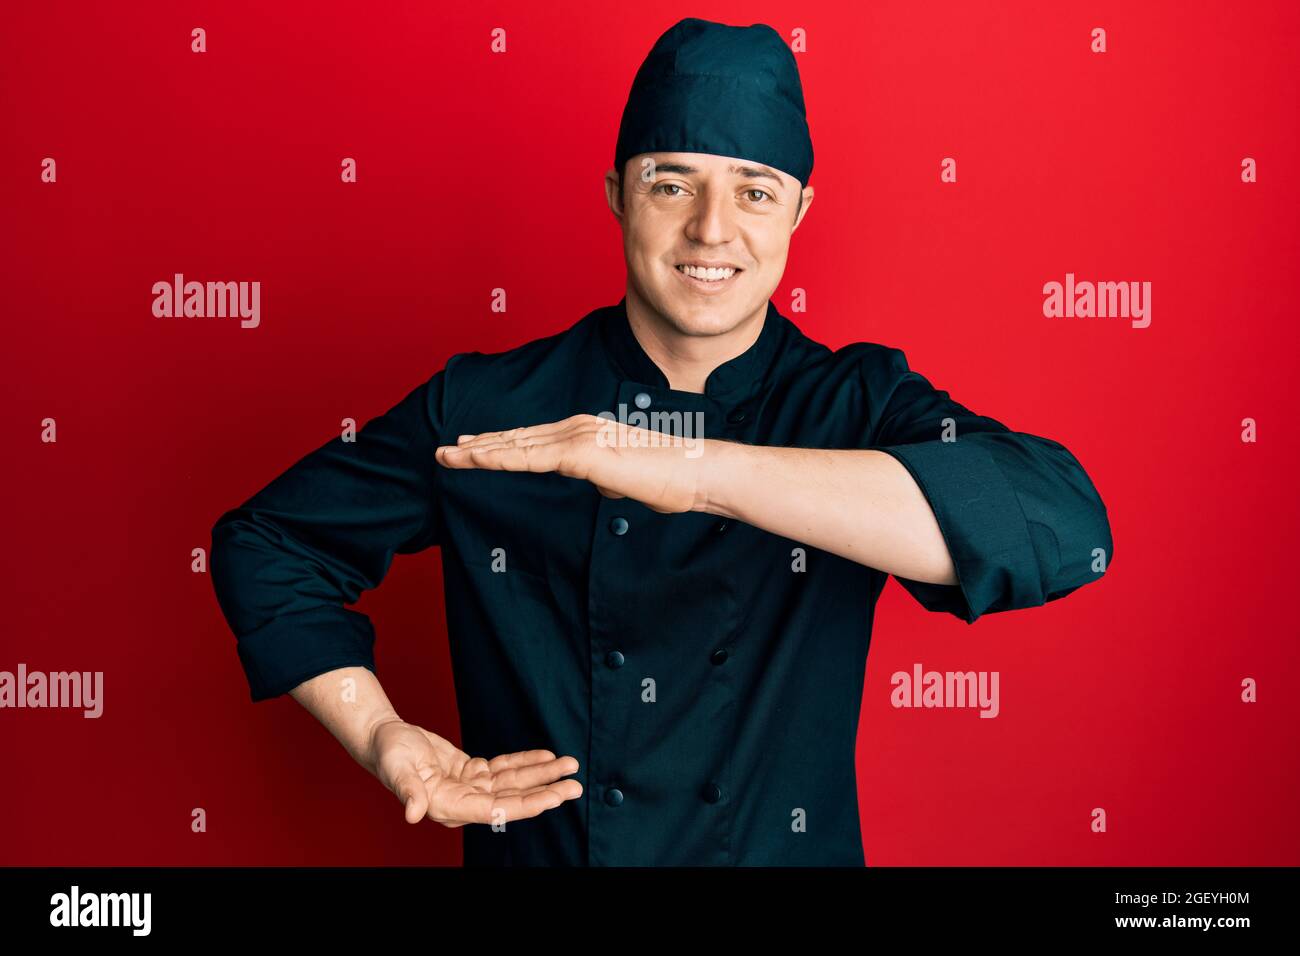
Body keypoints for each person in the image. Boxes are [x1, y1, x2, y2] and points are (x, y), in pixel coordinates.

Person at [210, 17, 1113, 866]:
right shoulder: (492, 403)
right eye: (671, 183)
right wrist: (379, 736)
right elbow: (268, 542)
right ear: (616, 196)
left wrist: (695, 471)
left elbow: (1063, 527)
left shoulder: (854, 404)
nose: (711, 230)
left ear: (798, 212)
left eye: (754, 191)